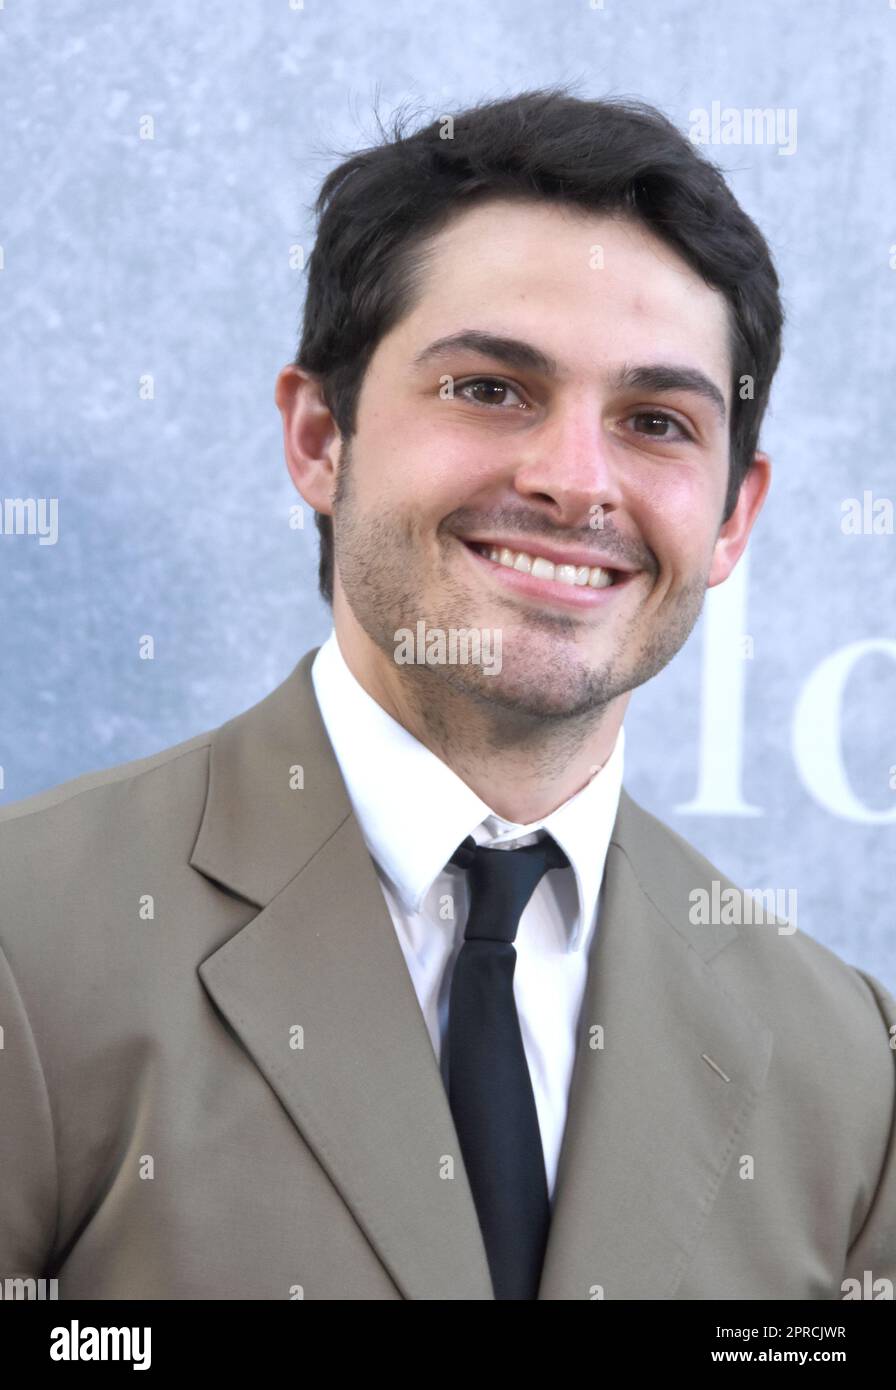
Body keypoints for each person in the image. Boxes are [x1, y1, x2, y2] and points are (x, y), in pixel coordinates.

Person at [1, 88, 893, 1302]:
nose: (575, 482)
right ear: (321, 435)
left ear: (732, 517)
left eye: (653, 420)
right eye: (489, 389)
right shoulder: (30, 944)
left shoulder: (849, 1065)